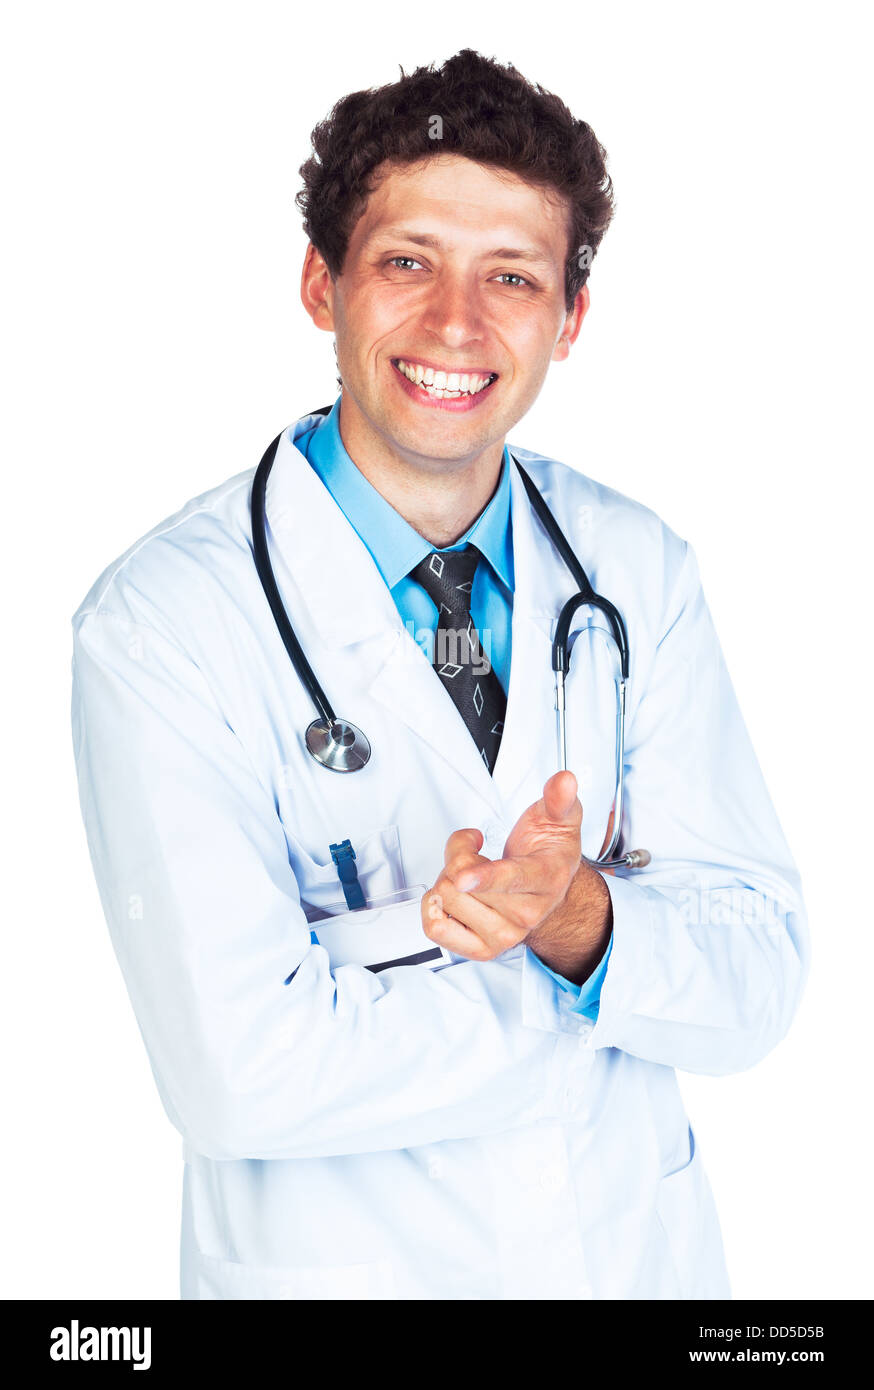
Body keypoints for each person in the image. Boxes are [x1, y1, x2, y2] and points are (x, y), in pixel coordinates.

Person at [70, 49, 809, 1301]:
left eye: (510, 277)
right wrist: (600, 982)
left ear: (569, 321)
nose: (456, 326)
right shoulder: (163, 622)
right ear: (323, 284)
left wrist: (569, 917)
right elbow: (236, 1074)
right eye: (407, 262)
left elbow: (757, 986)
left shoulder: (637, 569)